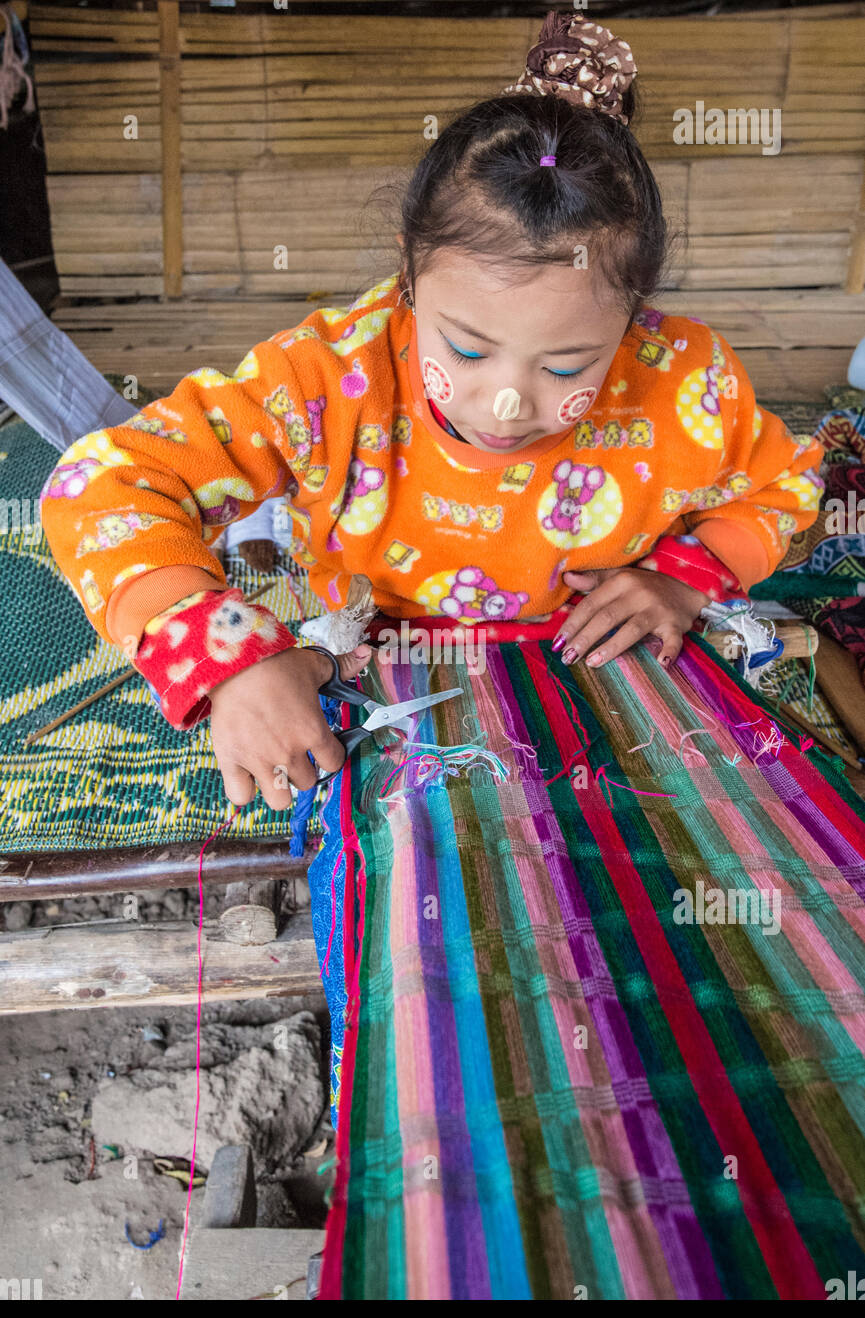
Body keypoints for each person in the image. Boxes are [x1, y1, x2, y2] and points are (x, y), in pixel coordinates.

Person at [40, 12, 824, 814]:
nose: (509, 402)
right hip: (382, 660)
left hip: (588, 663)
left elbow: (786, 490)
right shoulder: (326, 379)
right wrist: (229, 661)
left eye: (565, 365)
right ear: (409, 276)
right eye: (468, 351)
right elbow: (100, 485)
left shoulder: (683, 379)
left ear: (633, 317)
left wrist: (682, 581)